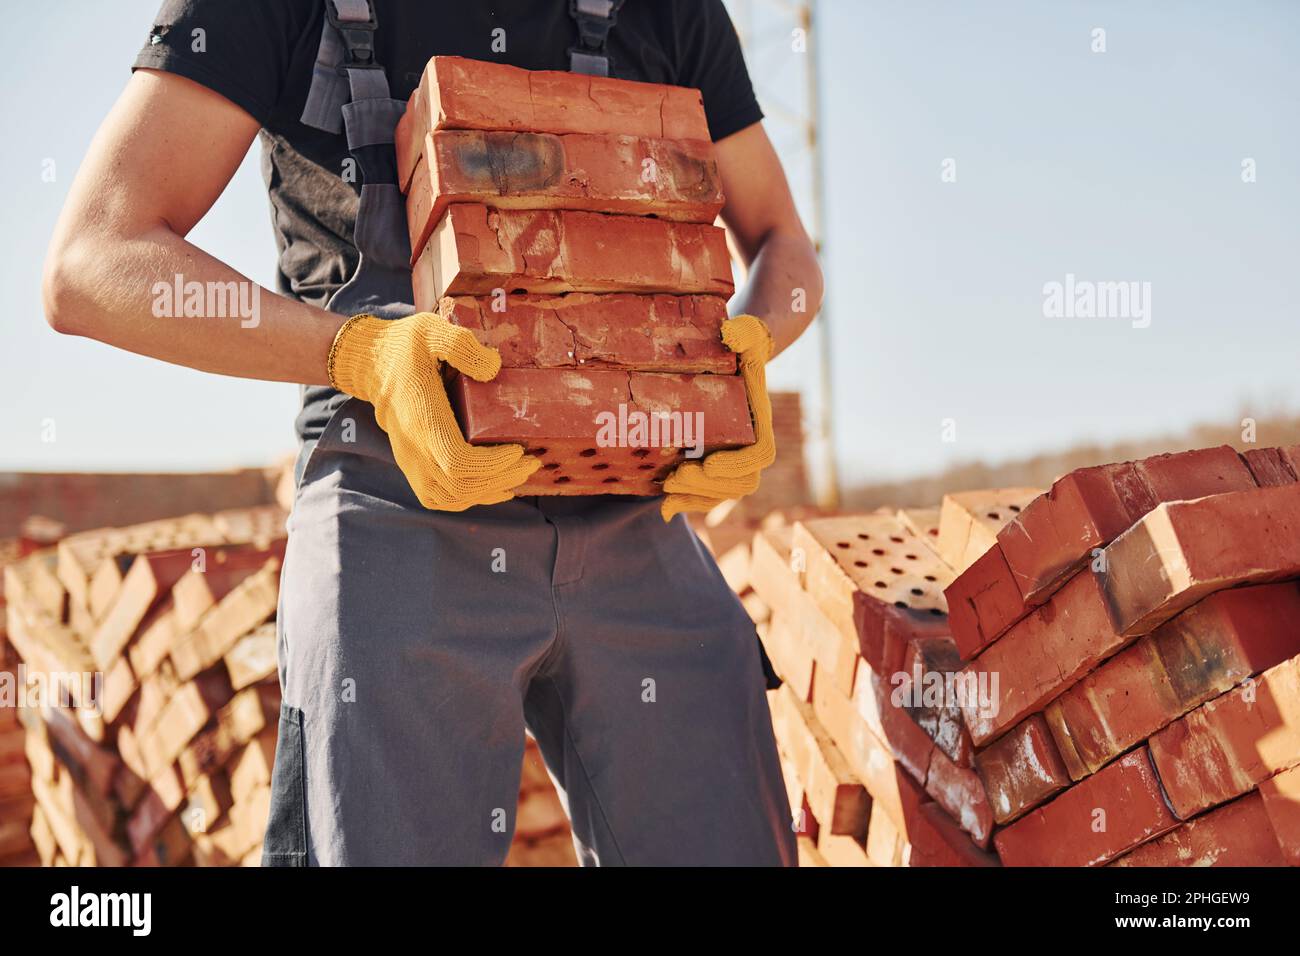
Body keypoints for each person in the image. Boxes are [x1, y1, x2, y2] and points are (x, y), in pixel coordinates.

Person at [43, 0, 823, 866]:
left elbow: (787, 246)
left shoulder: (666, 10)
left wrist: (740, 355)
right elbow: (92, 258)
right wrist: (359, 353)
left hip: (633, 506)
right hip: (390, 509)